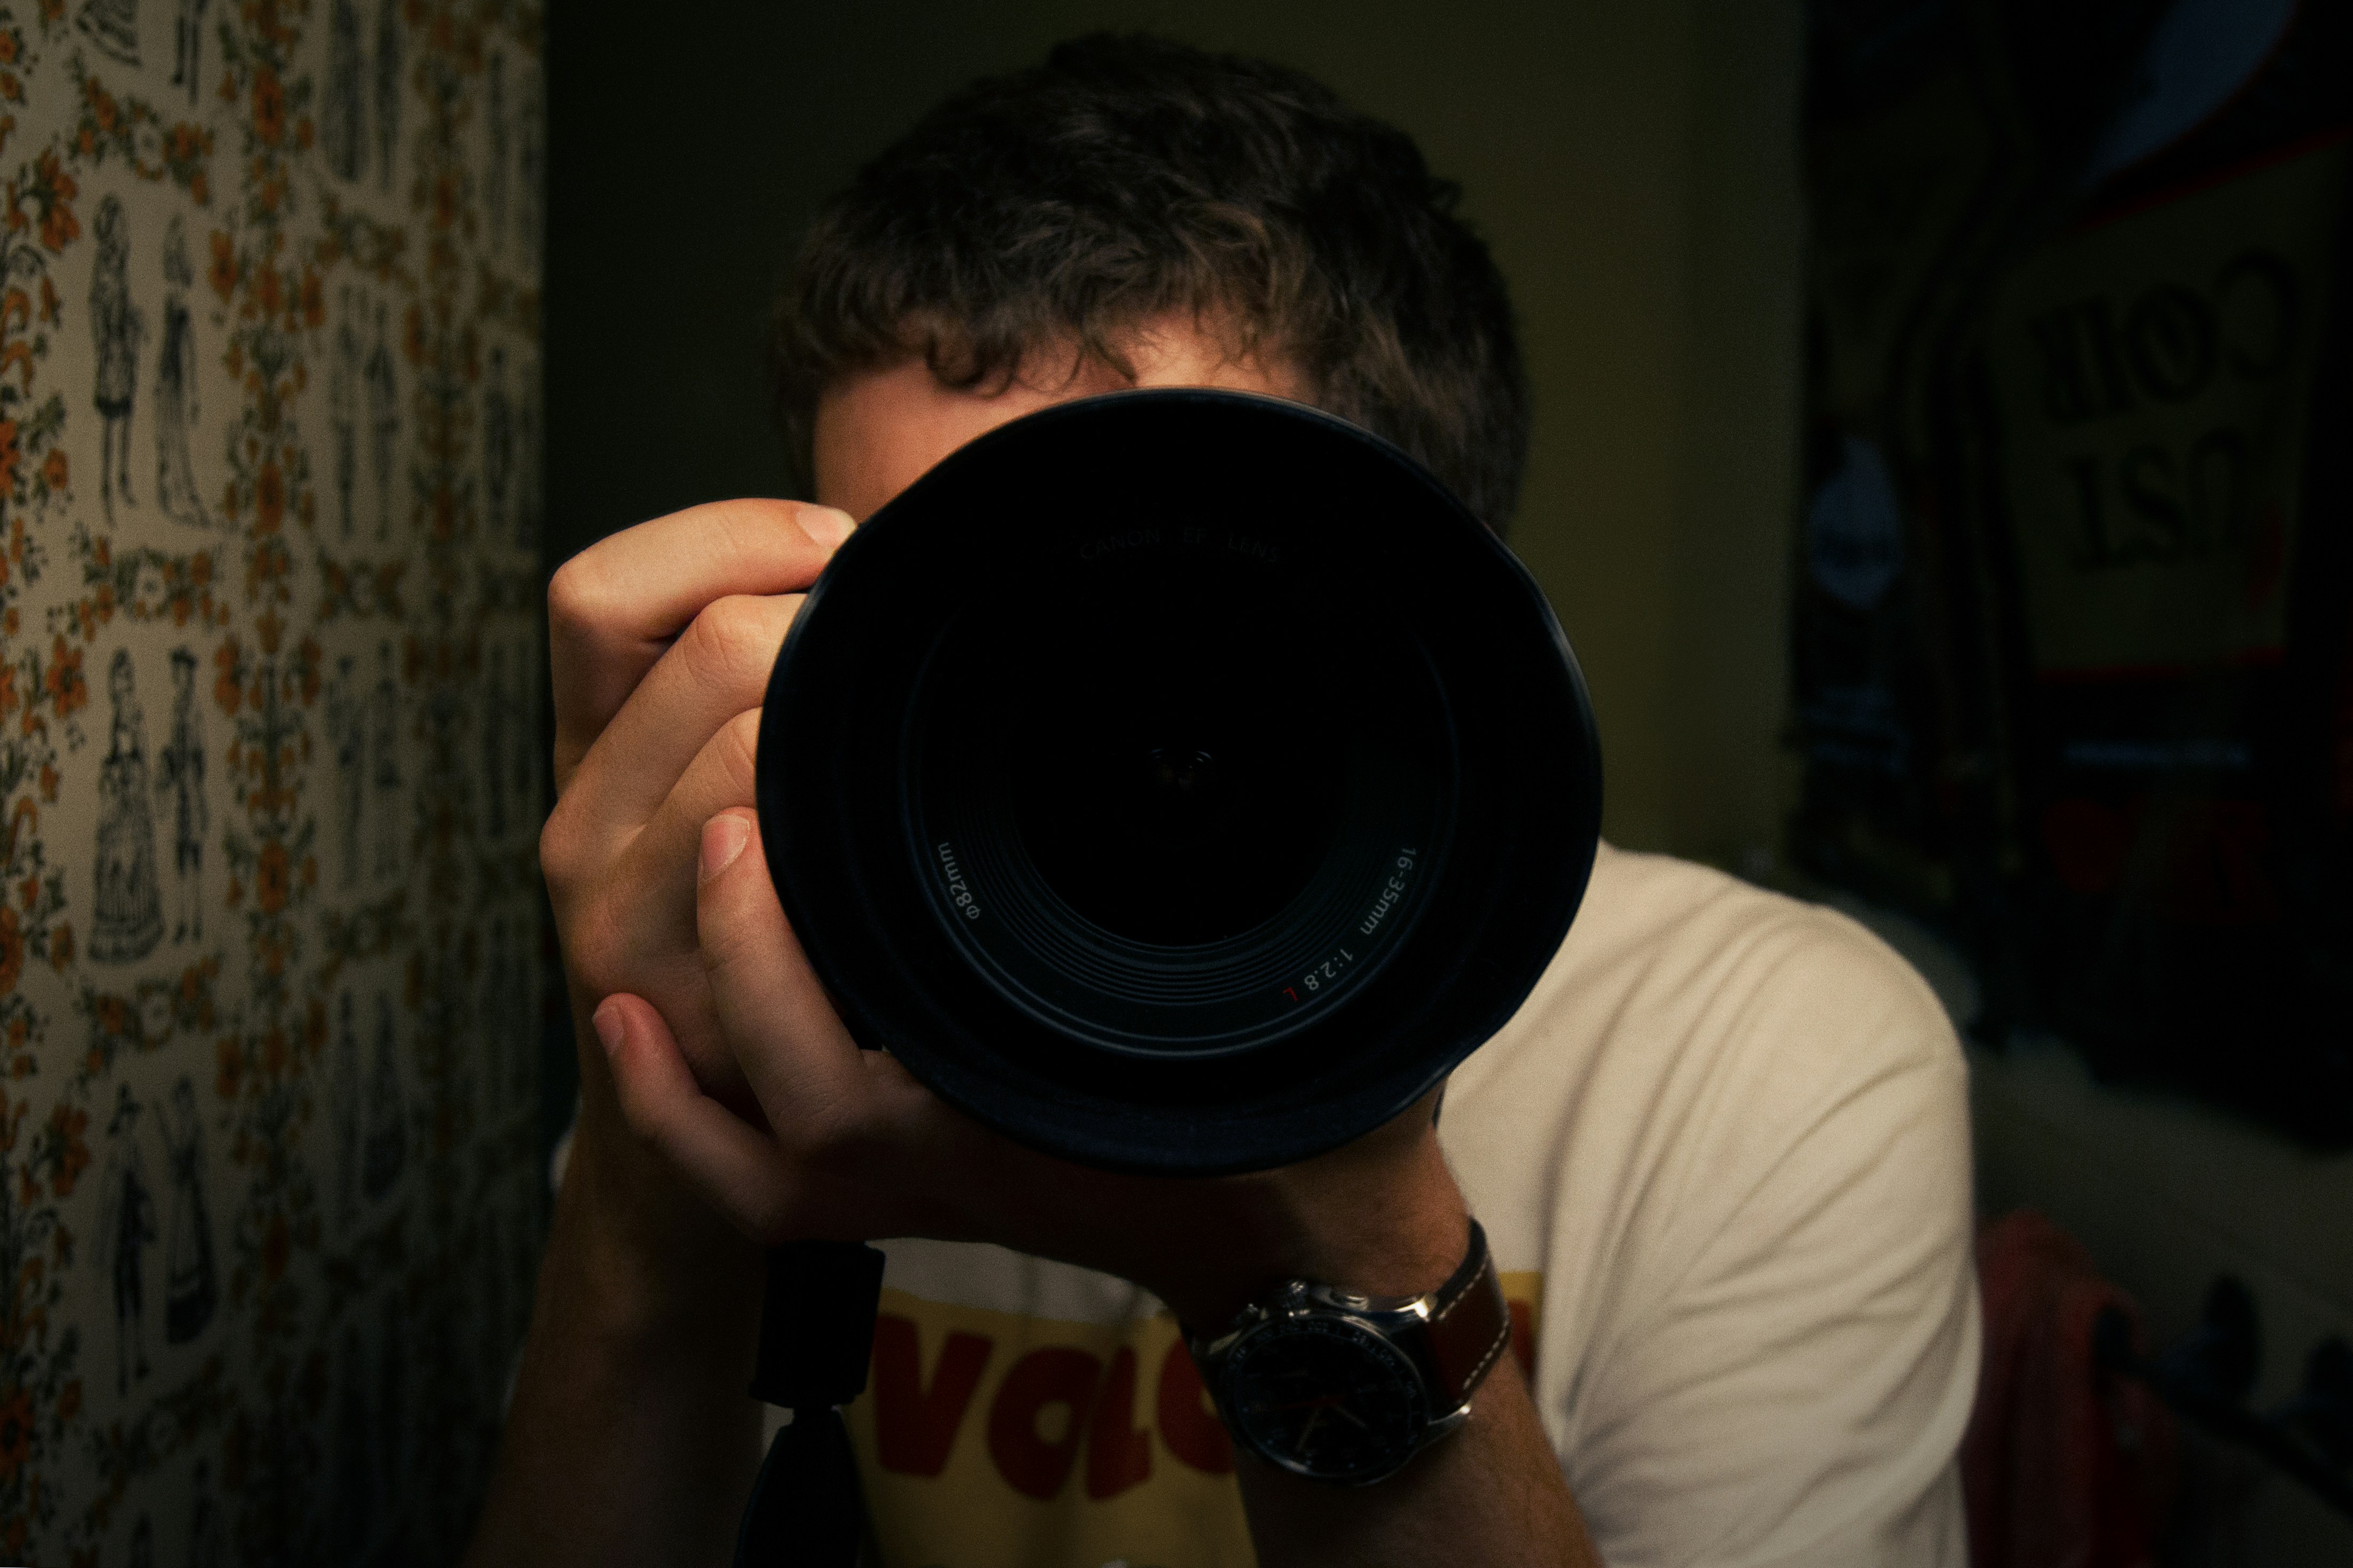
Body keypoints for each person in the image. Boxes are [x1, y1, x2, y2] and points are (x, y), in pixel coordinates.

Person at [469, 36, 1975, 1568]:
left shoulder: (1755, 1060)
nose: (1104, 724)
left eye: (1179, 624)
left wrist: (1328, 1243)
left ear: (1431, 629)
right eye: (967, 633)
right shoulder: (774, 985)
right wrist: (644, 1148)